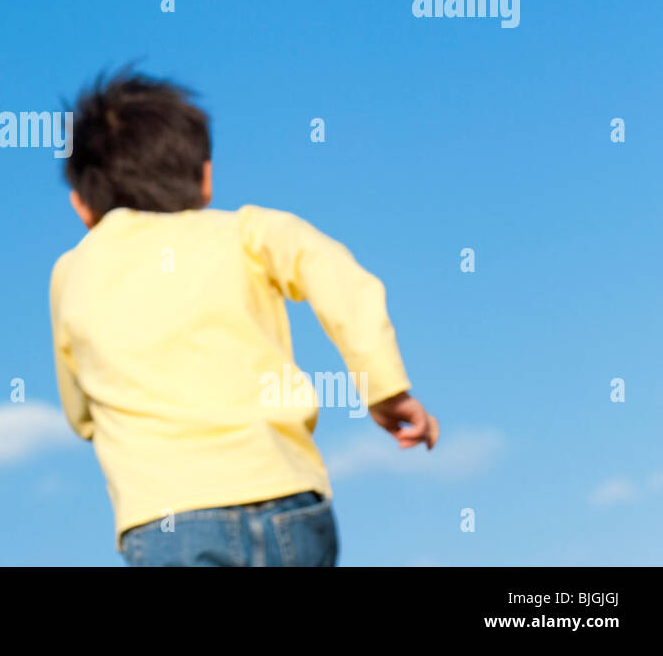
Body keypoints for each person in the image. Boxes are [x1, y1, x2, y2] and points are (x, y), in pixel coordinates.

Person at [49, 70, 438, 566]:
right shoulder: (246, 233)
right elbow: (337, 275)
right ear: (206, 178)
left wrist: (96, 420)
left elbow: (80, 405)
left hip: (169, 517)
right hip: (288, 500)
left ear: (81, 205)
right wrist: (385, 390)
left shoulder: (74, 271)